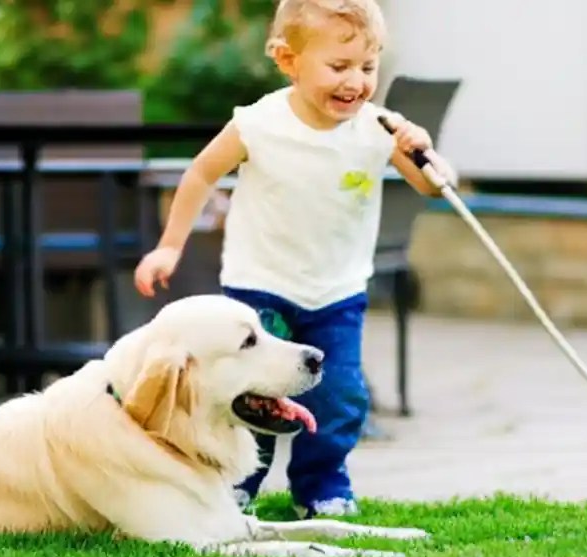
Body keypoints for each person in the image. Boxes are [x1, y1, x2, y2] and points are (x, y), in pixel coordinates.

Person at [132, 0, 458, 518]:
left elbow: (434, 185)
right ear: (289, 61)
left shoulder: (378, 127)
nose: (355, 82)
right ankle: (238, 483)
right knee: (252, 391)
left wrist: (427, 150)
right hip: (260, 285)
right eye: (338, 67)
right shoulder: (260, 124)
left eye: (367, 68)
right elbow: (199, 174)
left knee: (339, 396)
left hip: (337, 291)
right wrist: (170, 245)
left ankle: (322, 485)